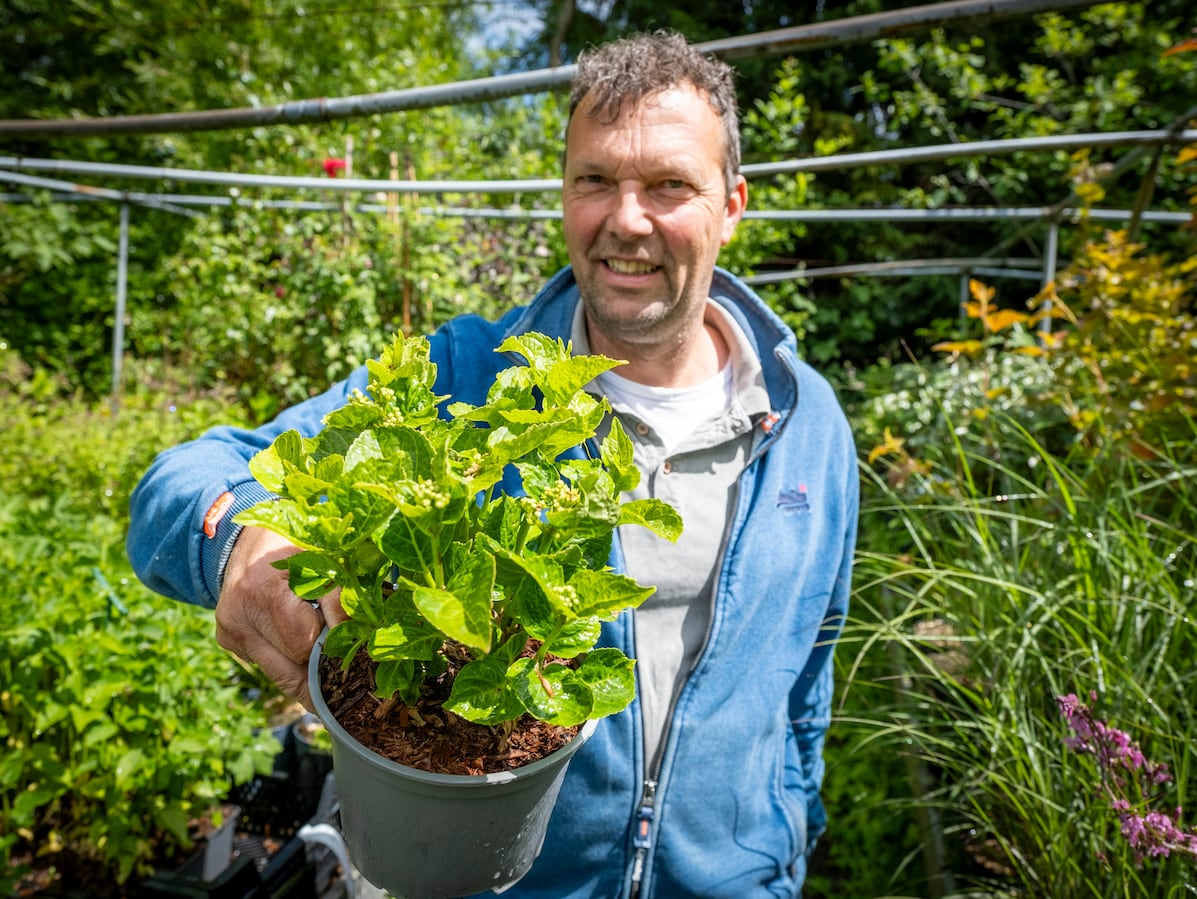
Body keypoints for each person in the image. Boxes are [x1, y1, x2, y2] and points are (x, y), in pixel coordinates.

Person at [128, 30, 858, 899]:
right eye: (595, 180)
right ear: (563, 195)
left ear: (731, 203)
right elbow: (177, 483)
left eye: (669, 184)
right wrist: (237, 535)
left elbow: (807, 675)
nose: (627, 219)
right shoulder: (469, 378)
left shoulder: (807, 422)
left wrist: (788, 841)